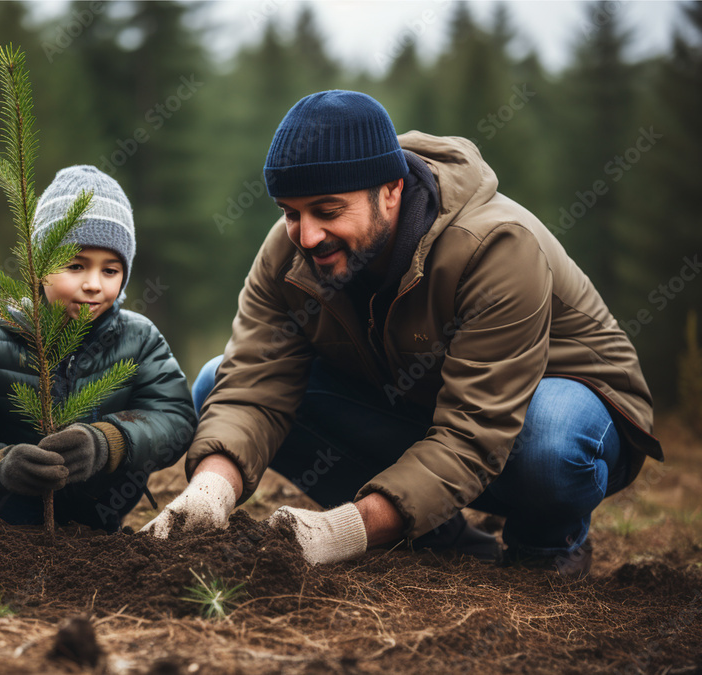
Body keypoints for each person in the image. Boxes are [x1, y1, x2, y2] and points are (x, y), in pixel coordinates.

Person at [142, 91, 663, 576]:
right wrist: (210, 490)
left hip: (567, 406)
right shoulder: (290, 251)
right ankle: (434, 537)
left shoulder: (495, 246)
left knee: (551, 444)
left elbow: (473, 430)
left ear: (391, 191)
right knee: (216, 381)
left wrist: (344, 530)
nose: (306, 236)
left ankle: (548, 545)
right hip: (424, 403)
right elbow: (253, 383)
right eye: (290, 214)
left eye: (327, 211)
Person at [0, 165, 196, 532]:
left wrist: (107, 441)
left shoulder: (139, 340)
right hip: (1, 515)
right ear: (39, 267)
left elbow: (175, 420)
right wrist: (0, 466)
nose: (93, 285)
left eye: (110, 270)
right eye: (75, 265)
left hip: (97, 521)